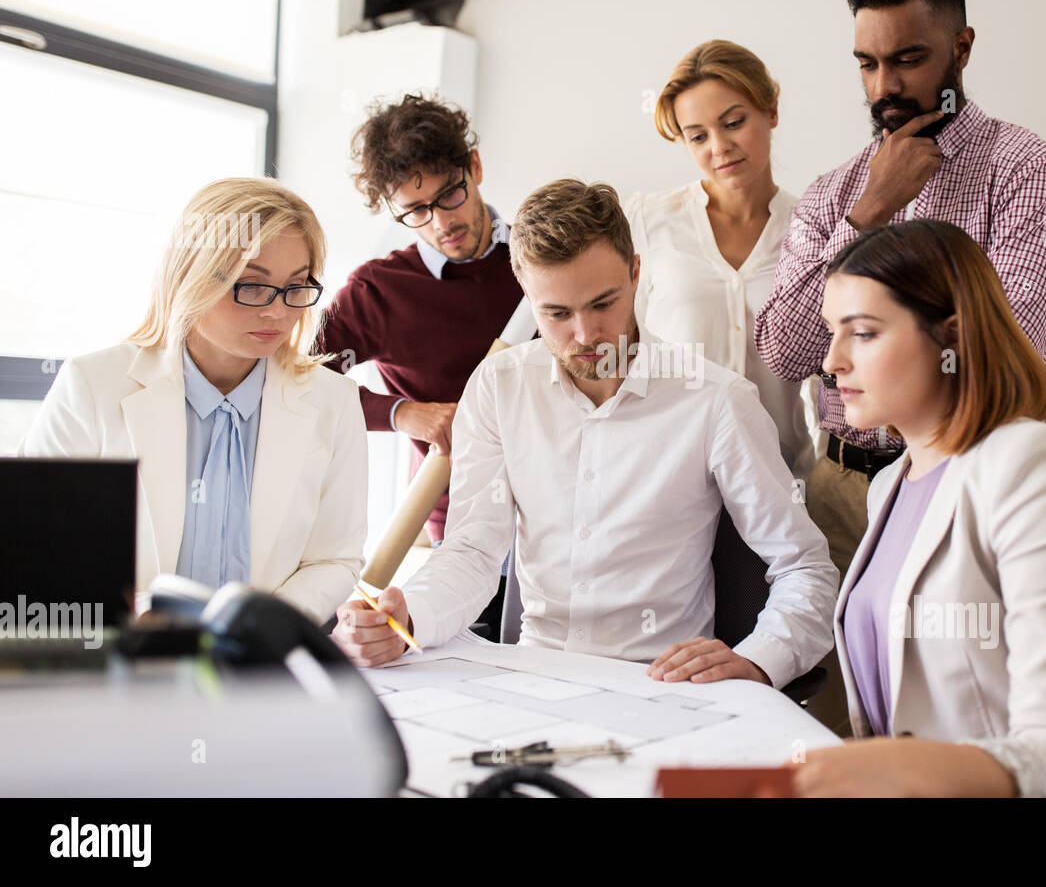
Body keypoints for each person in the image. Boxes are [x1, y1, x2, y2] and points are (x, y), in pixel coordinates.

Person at [332, 179, 838, 692]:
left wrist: (758, 660)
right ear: (528, 298)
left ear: (636, 274)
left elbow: (806, 568)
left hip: (662, 686)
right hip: (532, 678)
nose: (585, 335)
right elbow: (473, 551)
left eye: (602, 303)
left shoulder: (716, 400)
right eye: (556, 313)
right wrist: (408, 617)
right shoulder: (499, 386)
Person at [793, 219, 1046, 797]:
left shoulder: (1037, 466)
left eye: (861, 333)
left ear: (952, 340)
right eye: (830, 332)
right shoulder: (891, 485)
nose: (831, 360)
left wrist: (898, 771)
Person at [755, 0, 1046, 591]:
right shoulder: (831, 194)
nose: (884, 87)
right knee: (842, 687)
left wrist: (851, 337)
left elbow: (1001, 347)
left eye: (907, 59)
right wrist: (870, 214)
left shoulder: (1026, 169)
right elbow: (786, 353)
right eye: (867, 64)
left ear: (961, 46)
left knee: (958, 683)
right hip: (838, 490)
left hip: (968, 475)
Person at [19, 178, 366, 623]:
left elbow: (334, 559)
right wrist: (148, 619)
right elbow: (35, 548)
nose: (278, 312)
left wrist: (260, 625)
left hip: (257, 669)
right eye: (252, 286)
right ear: (190, 277)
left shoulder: (332, 400)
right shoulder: (91, 384)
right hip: (128, 662)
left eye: (296, 287)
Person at [318, 92, 524, 637]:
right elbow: (301, 385)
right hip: (458, 525)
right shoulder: (378, 291)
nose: (440, 223)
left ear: (474, 168)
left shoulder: (538, 257)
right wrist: (403, 413)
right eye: (415, 210)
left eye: (449, 194)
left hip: (563, 509)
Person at [625, 39, 814, 483]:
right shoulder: (648, 221)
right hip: (671, 473)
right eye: (698, 136)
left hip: (780, 478)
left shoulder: (811, 228)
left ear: (771, 112)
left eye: (734, 122)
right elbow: (620, 351)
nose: (719, 146)